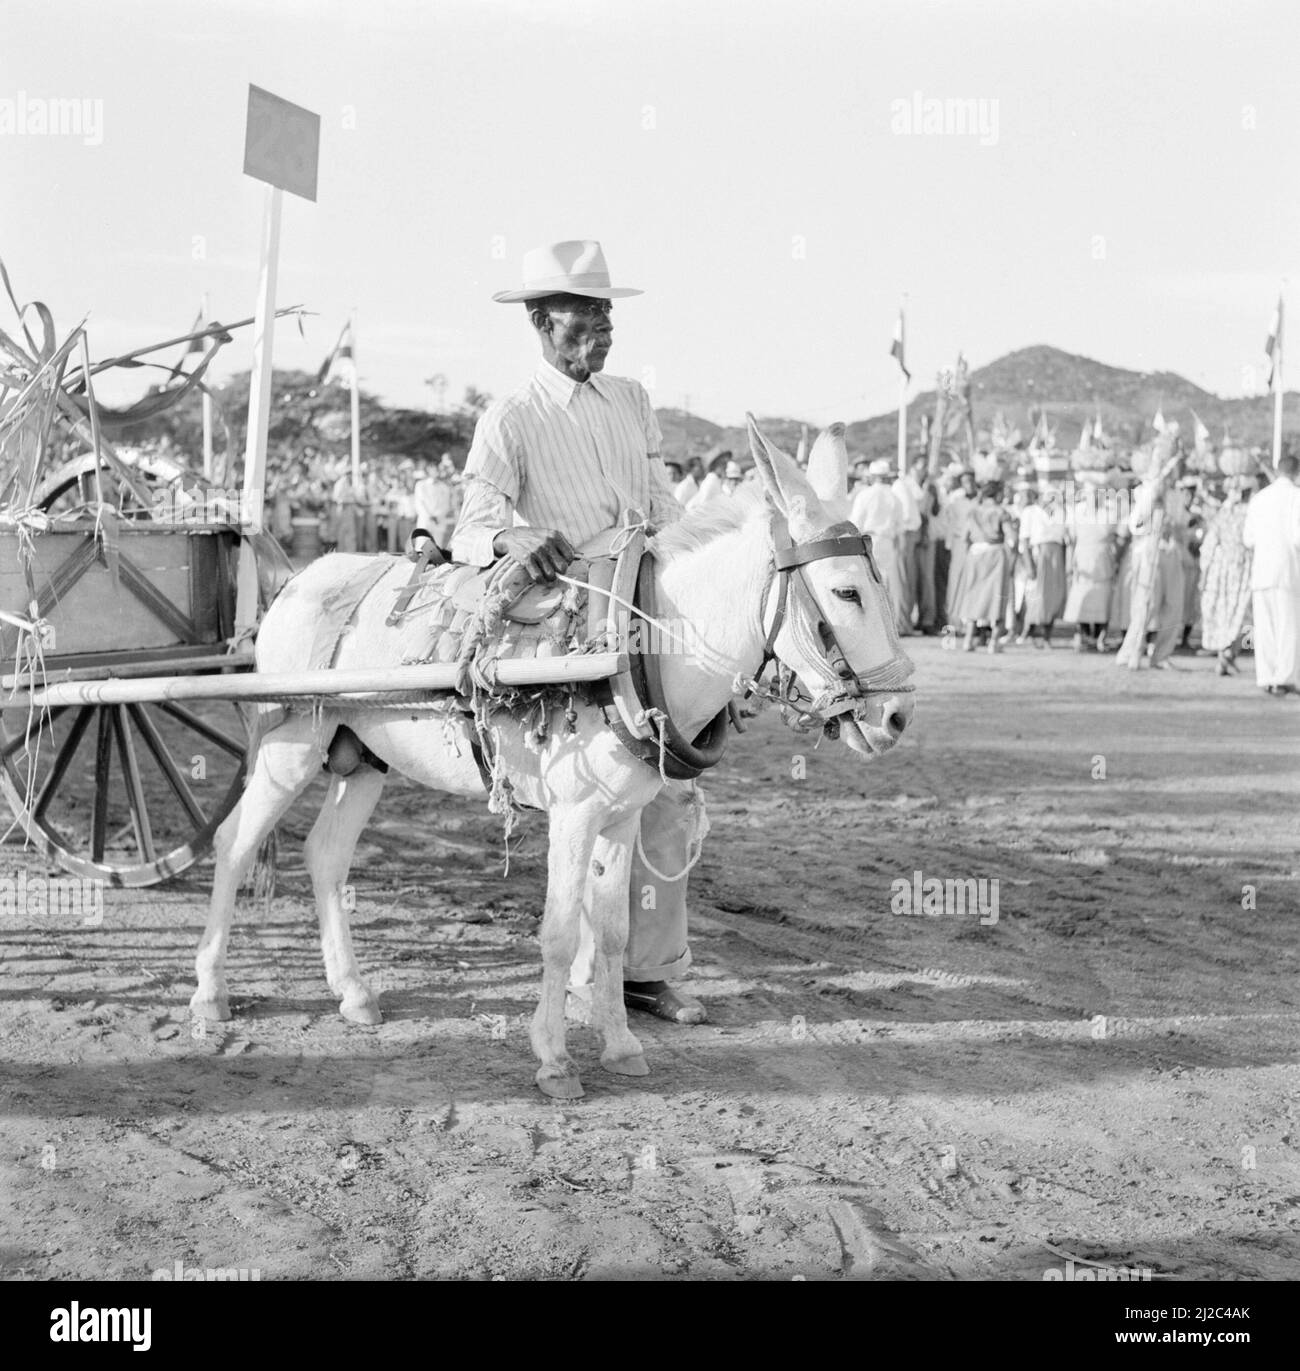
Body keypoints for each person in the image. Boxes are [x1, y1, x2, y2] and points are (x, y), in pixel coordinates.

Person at [449, 238, 708, 1023]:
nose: (604, 325)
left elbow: (663, 506)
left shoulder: (630, 399)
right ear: (540, 321)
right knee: (600, 795)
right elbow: (472, 524)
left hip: (649, 610)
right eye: (586, 313)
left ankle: (645, 971)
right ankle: (588, 975)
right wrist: (509, 541)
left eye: (607, 312)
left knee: (666, 790)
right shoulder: (511, 418)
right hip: (576, 622)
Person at [1242, 453, 1300, 696]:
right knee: (1288, 625)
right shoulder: (1296, 497)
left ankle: (1266, 676)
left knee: (1265, 627)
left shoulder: (1259, 499)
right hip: (1287, 569)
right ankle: (1285, 677)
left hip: (1263, 569)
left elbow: (1248, 539)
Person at [951, 478, 1016, 653]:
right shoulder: (1001, 512)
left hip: (975, 555)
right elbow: (1012, 538)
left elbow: (965, 537)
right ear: (998, 494)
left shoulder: (973, 512)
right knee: (997, 597)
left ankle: (968, 640)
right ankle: (994, 642)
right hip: (995, 555)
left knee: (973, 596)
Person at [1198, 473, 1254, 676]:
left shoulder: (1226, 513)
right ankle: (1227, 655)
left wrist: (1205, 572)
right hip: (1236, 570)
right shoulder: (1243, 513)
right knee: (1238, 614)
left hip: (1224, 570)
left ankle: (1227, 655)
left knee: (1235, 614)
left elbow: (1209, 545)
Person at [850, 459, 910, 634]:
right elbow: (900, 526)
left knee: (867, 580)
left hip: (867, 540)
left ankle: (869, 623)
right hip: (887, 542)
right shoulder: (894, 497)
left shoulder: (864, 495)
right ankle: (885, 624)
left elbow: (855, 522)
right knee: (885, 583)